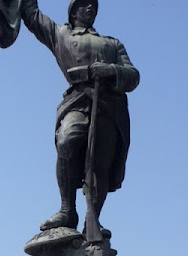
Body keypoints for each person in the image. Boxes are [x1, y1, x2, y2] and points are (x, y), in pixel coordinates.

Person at [19, 0, 140, 242]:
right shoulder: (60, 34)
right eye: (84, 5)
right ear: (73, 11)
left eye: (93, 5)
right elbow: (32, 15)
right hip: (78, 100)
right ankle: (67, 210)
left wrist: (109, 70)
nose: (90, 9)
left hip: (108, 106)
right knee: (67, 141)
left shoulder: (112, 43)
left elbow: (133, 76)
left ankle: (92, 218)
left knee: (99, 164)